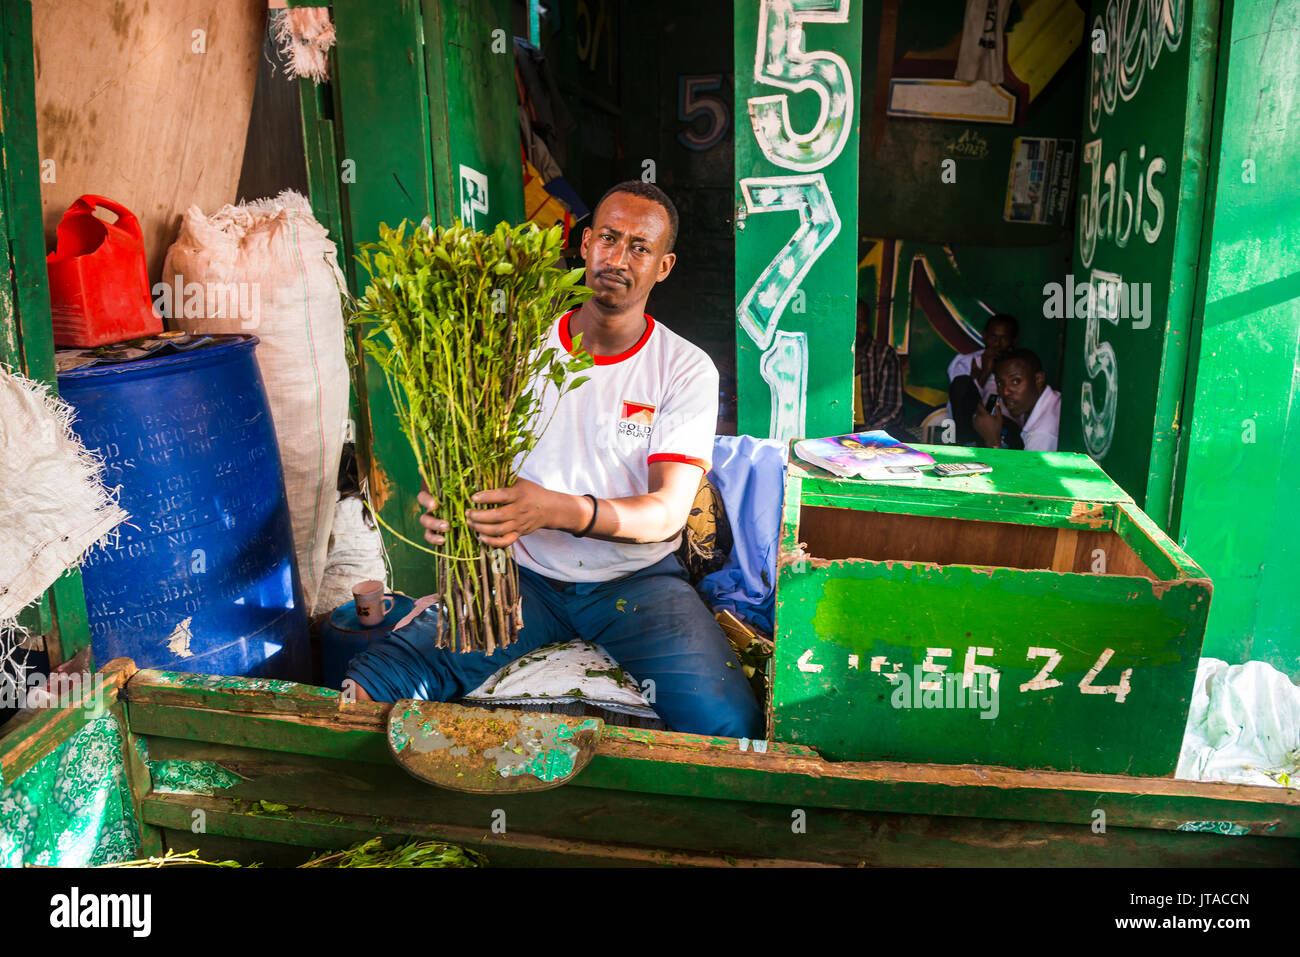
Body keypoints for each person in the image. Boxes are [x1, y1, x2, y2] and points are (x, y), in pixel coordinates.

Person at [344, 181, 764, 740]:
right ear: (586, 243)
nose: (619, 258)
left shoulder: (684, 368)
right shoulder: (517, 347)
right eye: (609, 238)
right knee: (374, 683)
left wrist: (553, 509)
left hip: (636, 584)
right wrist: (447, 504)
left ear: (663, 267)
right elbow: (466, 467)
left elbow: (666, 514)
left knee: (730, 724)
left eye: (640, 248)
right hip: (519, 578)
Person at [947, 313, 1018, 446]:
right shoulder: (965, 362)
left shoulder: (1018, 366)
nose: (997, 344)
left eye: (1004, 338)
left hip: (1006, 427)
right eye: (993, 337)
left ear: (1013, 341)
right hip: (971, 427)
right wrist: (984, 373)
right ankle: (967, 444)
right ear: (984, 336)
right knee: (962, 383)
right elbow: (960, 403)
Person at [973, 348, 1061, 452]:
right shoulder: (1052, 399)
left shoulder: (1041, 435)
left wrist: (993, 441)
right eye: (1000, 383)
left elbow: (1027, 469)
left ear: (1038, 379)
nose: (1005, 392)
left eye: (1015, 381)